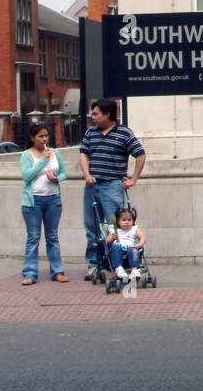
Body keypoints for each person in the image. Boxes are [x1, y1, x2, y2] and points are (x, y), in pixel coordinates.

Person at [79, 98, 146, 280]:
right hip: (93, 186)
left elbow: (140, 154)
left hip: (112, 186)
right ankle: (93, 264)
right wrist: (87, 174)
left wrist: (133, 178)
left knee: (115, 227)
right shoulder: (91, 132)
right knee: (92, 226)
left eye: (96, 114)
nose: (92, 117)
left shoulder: (123, 132)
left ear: (107, 114)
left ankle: (118, 263)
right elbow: (84, 153)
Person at [20, 123, 68, 285]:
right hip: (33, 201)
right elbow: (26, 176)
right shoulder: (27, 155)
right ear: (33, 138)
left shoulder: (55, 153)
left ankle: (57, 271)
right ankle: (30, 273)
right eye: (40, 136)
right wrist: (42, 161)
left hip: (53, 199)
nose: (44, 139)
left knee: (52, 237)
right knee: (33, 237)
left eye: (46, 135)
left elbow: (63, 173)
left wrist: (57, 179)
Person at [106, 206, 147, 282]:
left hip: (130, 247)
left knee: (134, 251)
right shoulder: (114, 229)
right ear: (118, 221)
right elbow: (107, 241)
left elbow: (142, 237)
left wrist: (139, 244)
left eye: (129, 220)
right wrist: (111, 238)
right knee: (115, 248)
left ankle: (134, 270)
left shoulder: (134, 229)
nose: (127, 222)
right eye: (124, 220)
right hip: (118, 246)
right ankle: (119, 268)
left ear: (133, 221)